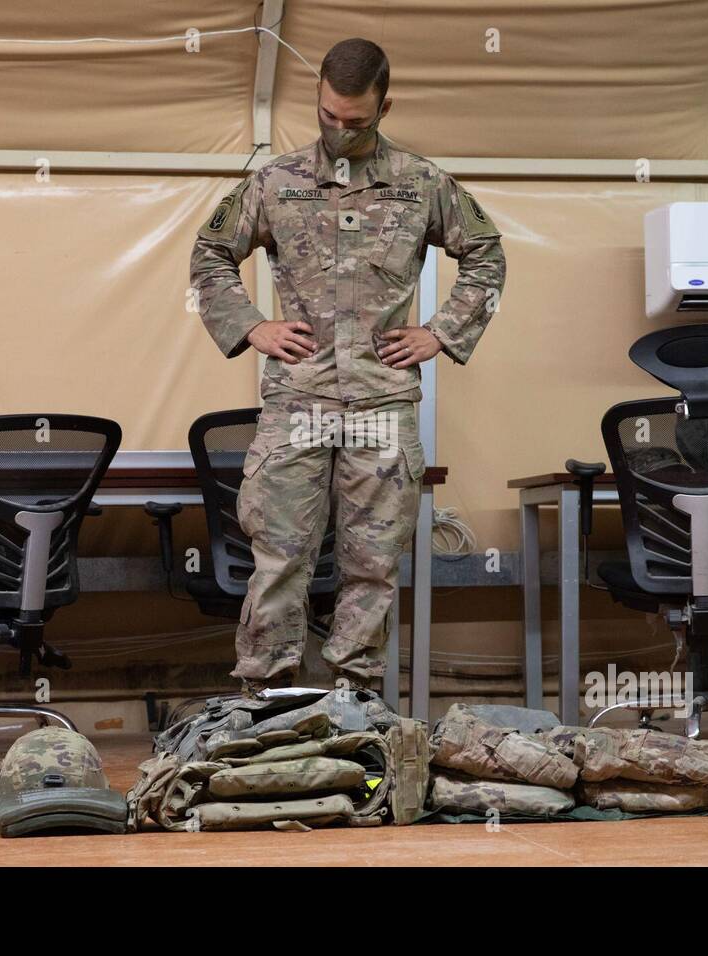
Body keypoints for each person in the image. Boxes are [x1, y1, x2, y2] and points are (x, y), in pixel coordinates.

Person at [190, 38, 505, 696]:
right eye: (329, 116)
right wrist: (253, 326)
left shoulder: (423, 183)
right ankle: (262, 709)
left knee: (371, 568)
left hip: (382, 407)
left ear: (384, 107)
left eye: (356, 121)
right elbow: (211, 253)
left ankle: (355, 710)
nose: (339, 131)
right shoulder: (275, 182)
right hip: (298, 403)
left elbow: (488, 254)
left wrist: (441, 333)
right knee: (280, 562)